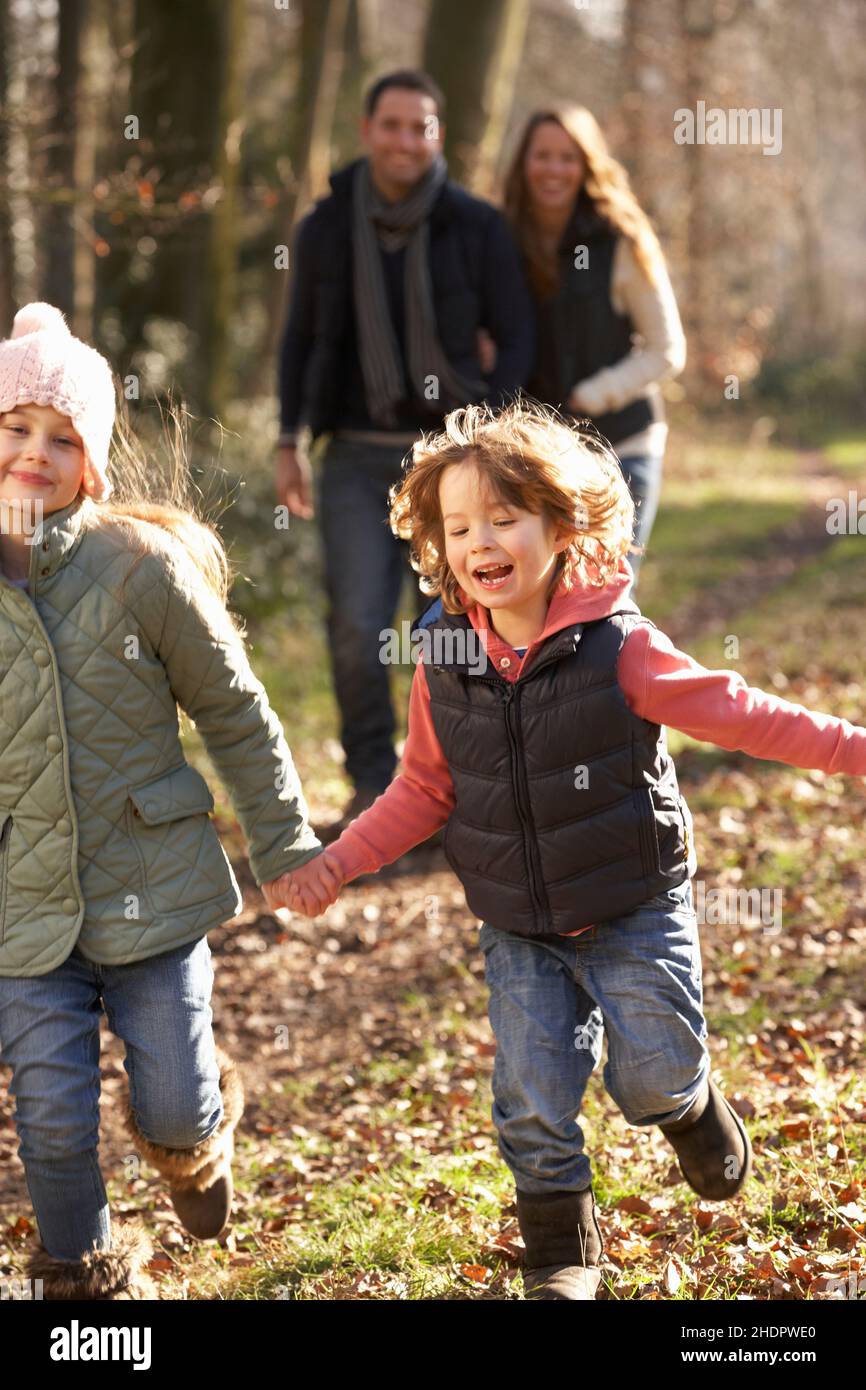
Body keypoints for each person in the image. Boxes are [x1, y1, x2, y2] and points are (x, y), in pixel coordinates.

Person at [271, 400, 866, 1300]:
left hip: (630, 902)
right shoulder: (442, 653)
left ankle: (690, 1106)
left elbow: (742, 713)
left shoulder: (617, 648)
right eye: (460, 524)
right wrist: (335, 862)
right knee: (532, 1098)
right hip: (516, 920)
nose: (482, 540)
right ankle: (561, 1254)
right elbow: (424, 789)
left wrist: (851, 749)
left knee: (653, 1072)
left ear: (561, 524)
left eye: (505, 517)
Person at [0, 303, 326, 1300]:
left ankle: (199, 1151)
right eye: (15, 428)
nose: (35, 453)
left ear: (93, 466)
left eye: (62, 439)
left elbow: (232, 709)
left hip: (152, 888)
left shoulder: (140, 570)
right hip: (24, 908)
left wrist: (283, 844)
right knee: (50, 1120)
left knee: (175, 1106)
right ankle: (85, 1287)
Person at [276, 68, 534, 839]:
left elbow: (516, 329)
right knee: (358, 624)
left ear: (437, 137)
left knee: (453, 622)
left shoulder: (475, 226)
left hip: (456, 461)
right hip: (354, 452)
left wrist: (498, 429)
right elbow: (298, 341)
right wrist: (289, 438)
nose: (404, 141)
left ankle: (459, 786)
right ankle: (372, 783)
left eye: (419, 128)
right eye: (391, 126)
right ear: (367, 132)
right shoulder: (326, 228)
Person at [499, 105, 686, 586]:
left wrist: (595, 393)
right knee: (545, 600)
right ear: (523, 163)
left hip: (622, 445)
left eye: (568, 157)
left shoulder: (620, 240)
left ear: (587, 164)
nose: (553, 169)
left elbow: (666, 349)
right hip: (538, 457)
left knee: (603, 594)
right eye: (542, 156)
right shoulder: (500, 237)